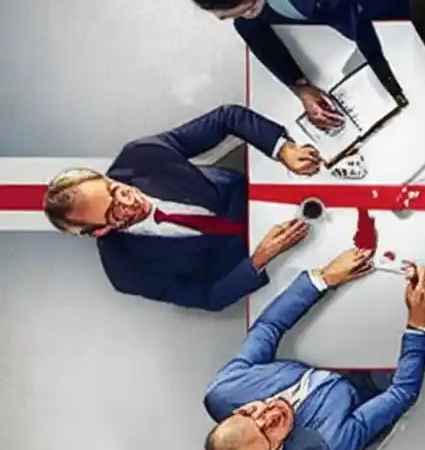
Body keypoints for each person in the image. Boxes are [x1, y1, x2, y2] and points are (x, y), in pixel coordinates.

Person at [42, 104, 321, 311]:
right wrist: (259, 259)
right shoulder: (125, 272)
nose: (129, 202)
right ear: (99, 231)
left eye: (116, 190)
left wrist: (283, 149)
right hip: (275, 262)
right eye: (114, 213)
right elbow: (209, 297)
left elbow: (227, 118)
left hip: (273, 193)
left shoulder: (140, 156)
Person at [203, 250, 425, 450]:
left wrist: (324, 277)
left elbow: (268, 327)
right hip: (367, 383)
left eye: (250, 413)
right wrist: (418, 324)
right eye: (267, 433)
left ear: (238, 411)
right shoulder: (326, 449)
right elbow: (402, 393)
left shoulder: (225, 391)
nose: (269, 416)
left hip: (325, 350)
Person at [173, 0, 410, 129]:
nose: (243, 17)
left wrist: (391, 86)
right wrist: (300, 87)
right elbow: (252, 29)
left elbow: (367, 25)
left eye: (248, 7)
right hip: (324, 15)